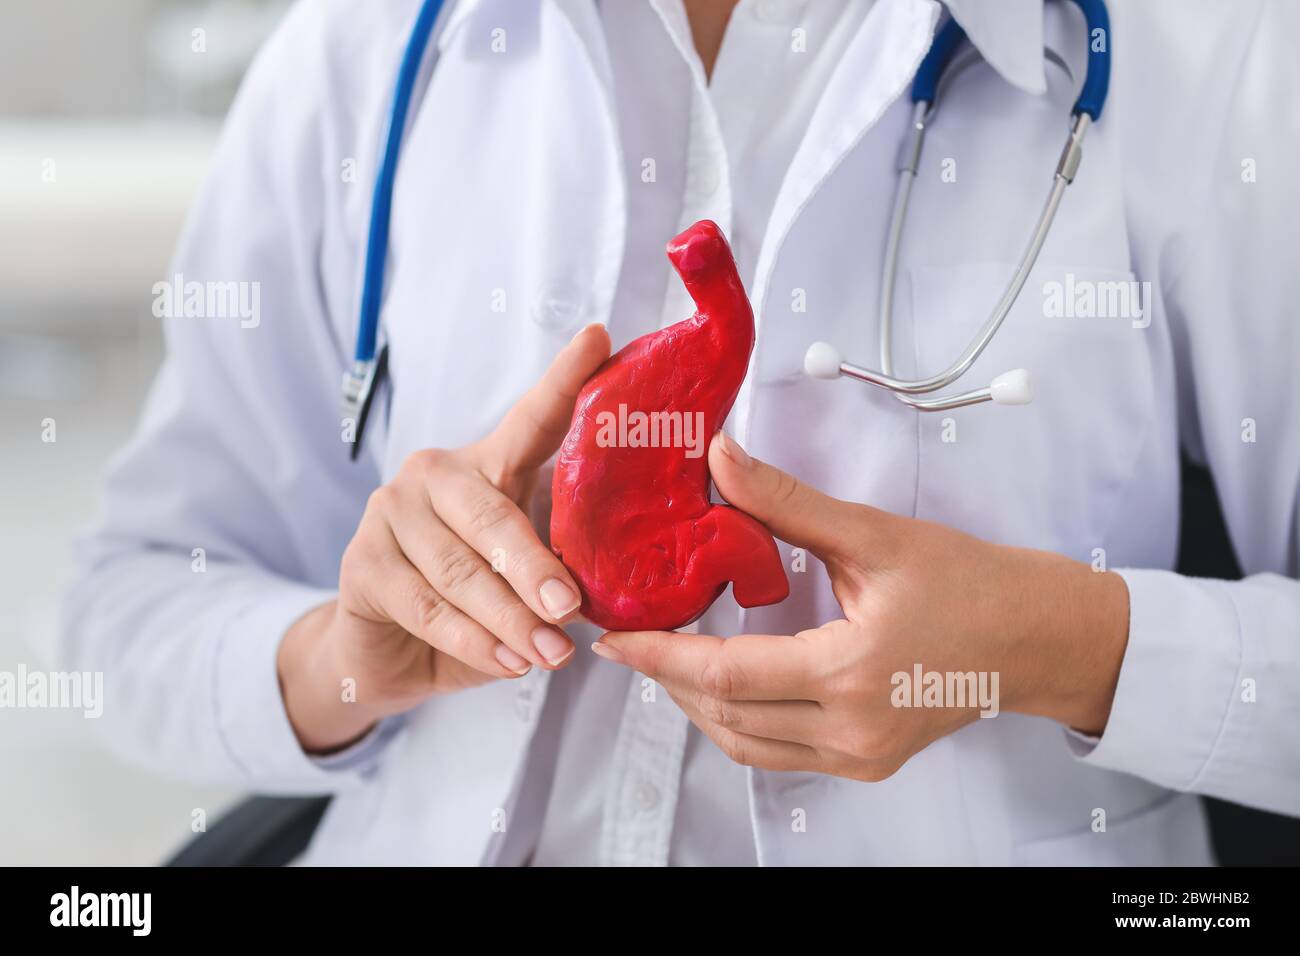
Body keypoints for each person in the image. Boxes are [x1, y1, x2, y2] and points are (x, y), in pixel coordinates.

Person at [63, 0, 1300, 865]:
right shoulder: (366, 47)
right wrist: (339, 656)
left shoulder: (1209, 50)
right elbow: (118, 614)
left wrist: (1061, 646)